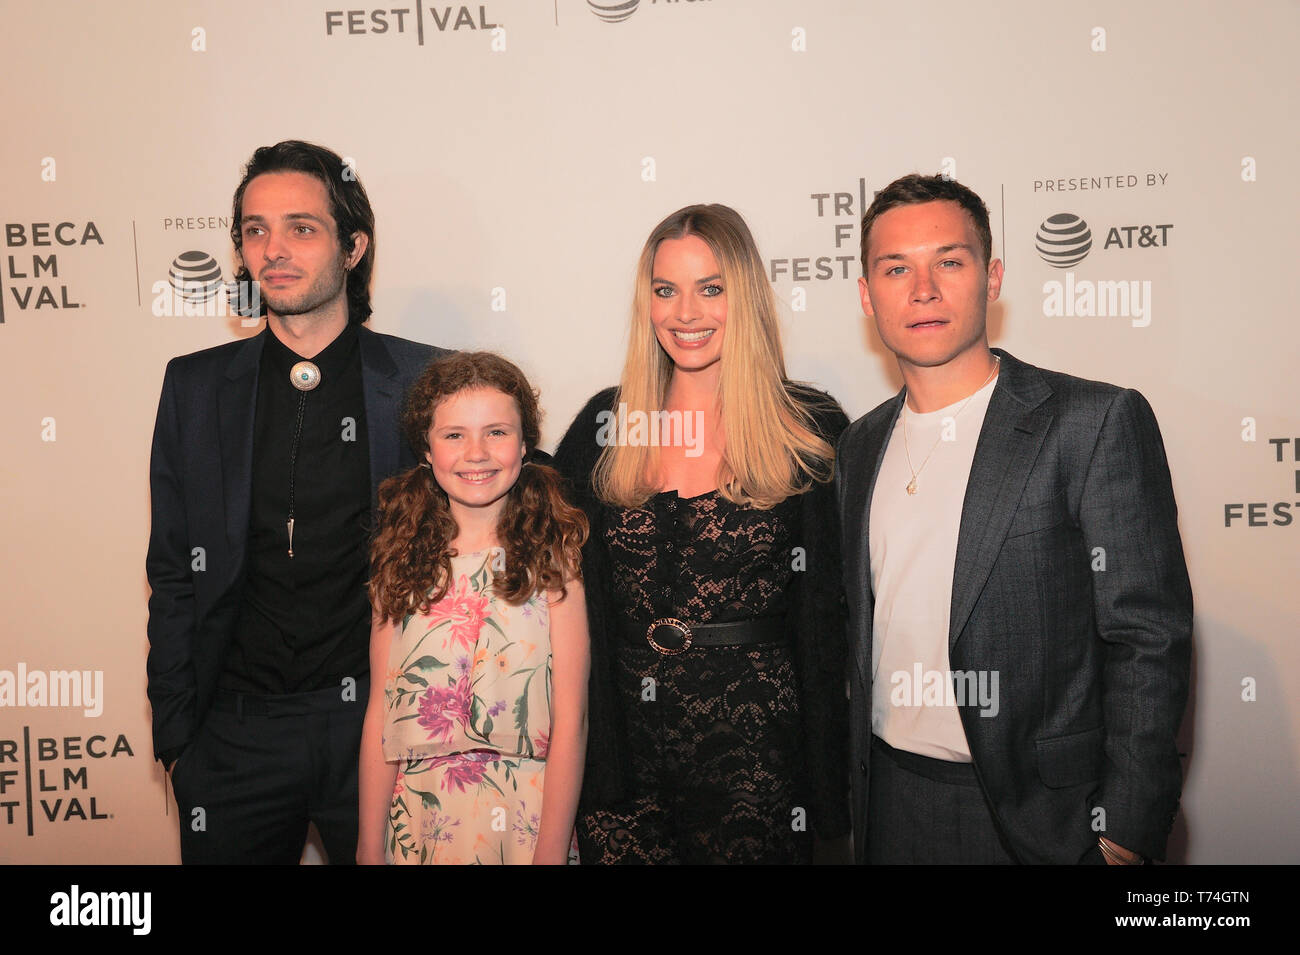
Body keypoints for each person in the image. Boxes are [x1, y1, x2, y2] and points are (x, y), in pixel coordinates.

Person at [836, 173, 1192, 864]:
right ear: (865, 293)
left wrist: (1123, 833)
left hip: (1045, 818)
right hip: (890, 803)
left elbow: (1150, 638)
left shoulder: (1090, 421)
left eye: (950, 260)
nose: (923, 288)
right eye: (896, 268)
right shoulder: (858, 444)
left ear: (992, 276)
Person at [145, 140, 444, 864]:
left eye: (302, 228)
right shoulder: (194, 387)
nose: (273, 249)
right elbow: (173, 570)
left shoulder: (423, 381)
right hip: (234, 737)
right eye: (255, 229)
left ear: (353, 246)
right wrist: (182, 740)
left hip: (383, 729)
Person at [554, 203, 851, 864]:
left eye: (710, 288)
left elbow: (833, 619)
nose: (685, 312)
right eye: (665, 290)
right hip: (621, 765)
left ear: (743, 295)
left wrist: (830, 789)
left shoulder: (808, 427)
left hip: (759, 763)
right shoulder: (607, 424)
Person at [358, 352, 589, 864]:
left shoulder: (556, 561)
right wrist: (368, 846)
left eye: (497, 432)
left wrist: (551, 850)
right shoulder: (400, 562)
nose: (477, 453)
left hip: (526, 821)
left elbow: (571, 718)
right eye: (454, 434)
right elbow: (380, 715)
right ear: (427, 449)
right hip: (419, 822)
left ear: (525, 445)